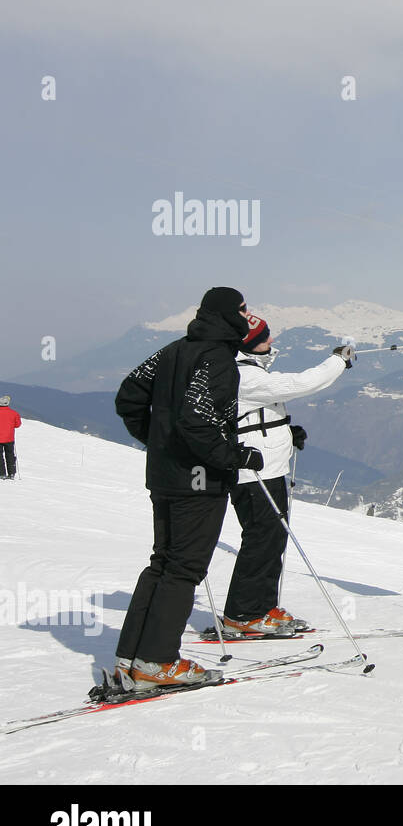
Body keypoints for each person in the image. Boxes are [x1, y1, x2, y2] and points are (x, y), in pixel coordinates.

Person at [113, 287, 262, 691]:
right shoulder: (218, 360)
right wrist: (232, 456)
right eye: (245, 309)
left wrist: (159, 442)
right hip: (197, 480)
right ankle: (157, 662)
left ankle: (132, 658)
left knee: (163, 562)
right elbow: (197, 420)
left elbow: (128, 395)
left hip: (164, 474)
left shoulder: (174, 349)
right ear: (233, 314)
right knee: (184, 568)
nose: (249, 316)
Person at [220, 313, 354, 636]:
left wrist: (285, 431)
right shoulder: (245, 377)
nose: (272, 341)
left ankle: (261, 606)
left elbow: (257, 415)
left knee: (273, 538)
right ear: (250, 345)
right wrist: (338, 361)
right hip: (254, 474)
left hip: (268, 469)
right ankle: (243, 613)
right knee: (262, 539)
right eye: (265, 337)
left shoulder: (250, 372)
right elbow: (299, 384)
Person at [0, 395, 19, 479]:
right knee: (10, 455)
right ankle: (11, 474)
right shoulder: (14, 413)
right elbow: (17, 425)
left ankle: (2, 474)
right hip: (9, 438)